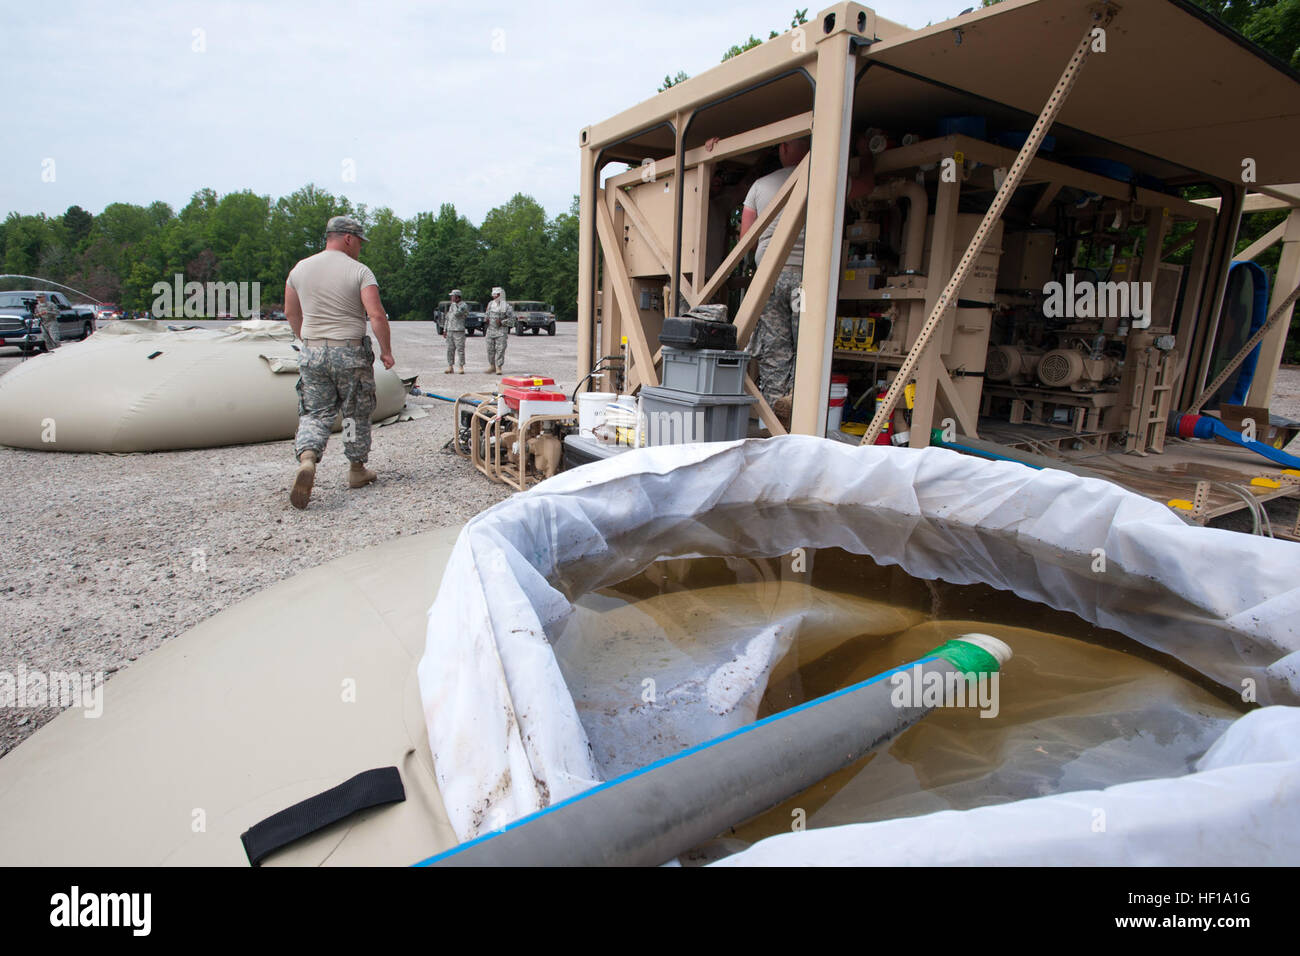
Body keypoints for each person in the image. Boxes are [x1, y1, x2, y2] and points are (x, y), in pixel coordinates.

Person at [283, 215, 396, 510]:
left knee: (315, 412)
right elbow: (376, 315)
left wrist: (308, 341)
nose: (360, 247)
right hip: (349, 353)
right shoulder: (359, 271)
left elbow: (291, 312)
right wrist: (386, 351)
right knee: (353, 412)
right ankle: (356, 469)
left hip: (312, 352)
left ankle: (308, 457)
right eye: (359, 242)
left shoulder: (299, 269)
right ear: (347, 238)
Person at [740, 137, 810, 414]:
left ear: (784, 148)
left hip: (770, 278)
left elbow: (747, 241)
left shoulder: (760, 186)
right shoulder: (827, 177)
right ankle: (801, 405)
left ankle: (772, 416)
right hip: (808, 281)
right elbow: (867, 186)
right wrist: (865, 156)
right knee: (807, 344)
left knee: (775, 351)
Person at [483, 286, 514, 374]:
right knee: (490, 349)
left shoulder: (507, 306)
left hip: (501, 332)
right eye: (493, 295)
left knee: (500, 350)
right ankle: (492, 366)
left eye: (496, 295)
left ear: (500, 295)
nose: (494, 297)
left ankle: (499, 367)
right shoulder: (490, 304)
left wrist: (502, 322)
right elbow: (487, 314)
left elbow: (512, 320)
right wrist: (486, 319)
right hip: (490, 331)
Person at [442, 289, 468, 374]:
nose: (451, 298)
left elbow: (457, 313)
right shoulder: (452, 305)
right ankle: (450, 366)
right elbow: (448, 318)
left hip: (459, 330)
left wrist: (456, 304)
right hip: (450, 330)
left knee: (460, 349)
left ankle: (461, 366)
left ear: (457, 297)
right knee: (450, 349)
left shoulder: (463, 305)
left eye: (453, 296)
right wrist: (445, 329)